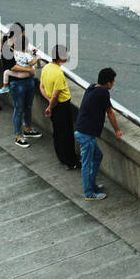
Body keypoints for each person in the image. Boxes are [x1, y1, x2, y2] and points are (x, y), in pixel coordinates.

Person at [73, 67, 122, 200]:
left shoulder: (92, 87)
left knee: (97, 156)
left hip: (83, 130)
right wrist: (117, 130)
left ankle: (92, 184)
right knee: (87, 163)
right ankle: (89, 193)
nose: (114, 83)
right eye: (113, 81)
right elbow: (110, 112)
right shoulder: (103, 92)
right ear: (108, 83)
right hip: (85, 134)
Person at [0, 22, 42, 148]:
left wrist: (31, 52)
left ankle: (27, 129)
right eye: (23, 34)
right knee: (19, 109)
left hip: (28, 81)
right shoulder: (6, 48)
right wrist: (29, 70)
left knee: (28, 106)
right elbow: (12, 66)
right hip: (17, 83)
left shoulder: (18, 44)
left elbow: (24, 52)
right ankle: (18, 136)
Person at [41, 45, 79, 170]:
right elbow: (56, 95)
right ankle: (71, 161)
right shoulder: (59, 74)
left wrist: (49, 102)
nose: (68, 56)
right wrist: (51, 105)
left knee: (57, 132)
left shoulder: (46, 68)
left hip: (54, 105)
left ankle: (62, 157)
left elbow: (41, 87)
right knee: (67, 134)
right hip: (61, 106)